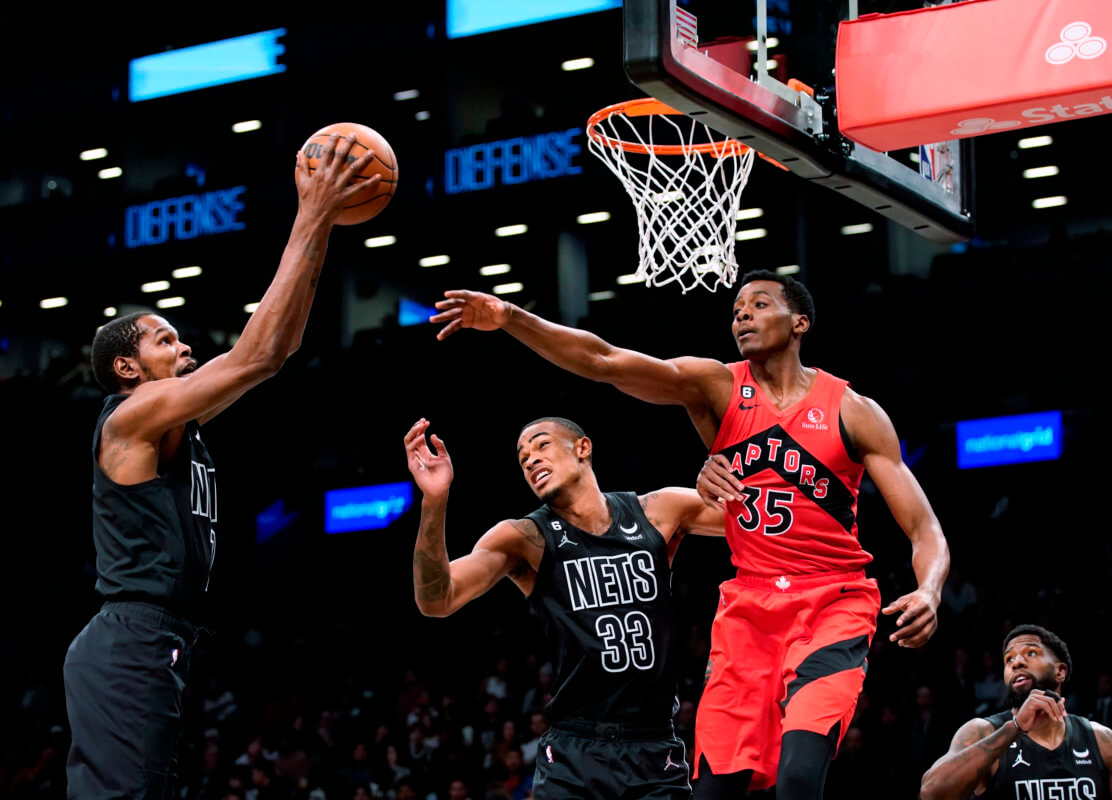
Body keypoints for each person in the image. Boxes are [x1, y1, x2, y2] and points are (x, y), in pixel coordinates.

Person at [430, 271, 950, 800]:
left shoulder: (852, 411)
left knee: (797, 776)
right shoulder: (718, 388)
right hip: (749, 606)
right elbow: (605, 361)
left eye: (759, 303)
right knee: (712, 790)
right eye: (736, 309)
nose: (741, 314)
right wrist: (512, 318)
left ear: (800, 323)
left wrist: (929, 588)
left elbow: (922, 526)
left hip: (832, 600)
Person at [63, 133, 379, 798]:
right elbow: (253, 356)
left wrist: (320, 229)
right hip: (129, 640)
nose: (183, 346)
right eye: (164, 338)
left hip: (163, 638)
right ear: (127, 367)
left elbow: (278, 347)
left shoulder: (179, 421)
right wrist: (311, 212)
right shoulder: (130, 418)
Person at [403, 416, 726, 799]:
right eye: (523, 459)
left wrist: (723, 470)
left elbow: (761, 522)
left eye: (541, 445)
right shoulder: (526, 538)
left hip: (655, 747)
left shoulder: (657, 511)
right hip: (575, 752)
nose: (531, 461)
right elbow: (436, 600)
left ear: (583, 448)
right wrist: (434, 502)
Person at [920, 624, 1112, 799]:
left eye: (1032, 653)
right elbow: (931, 794)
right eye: (1009, 659)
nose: (1016, 663)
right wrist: (1014, 727)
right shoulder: (982, 732)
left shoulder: (1100, 739)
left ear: (1060, 671)